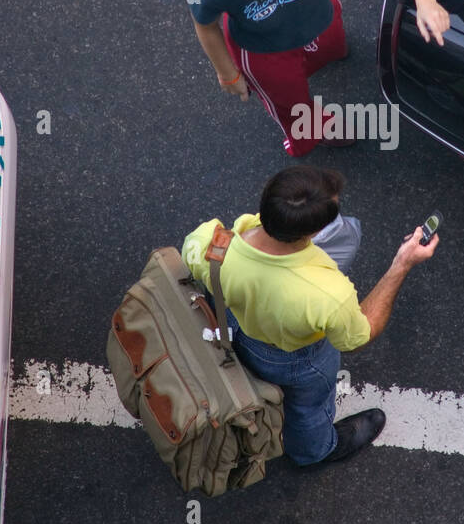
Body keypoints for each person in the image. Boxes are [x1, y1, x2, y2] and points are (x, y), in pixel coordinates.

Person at [180, 165, 438, 465]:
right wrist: (401, 264)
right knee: (307, 410)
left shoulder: (214, 243)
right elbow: (359, 336)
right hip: (293, 360)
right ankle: (313, 452)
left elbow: (191, 252)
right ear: (314, 233)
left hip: (232, 327)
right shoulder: (328, 294)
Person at [190, 0, 451, 156]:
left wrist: (427, 2)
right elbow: (205, 26)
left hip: (320, 19)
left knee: (334, 50)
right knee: (292, 104)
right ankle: (313, 131)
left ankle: (320, 65)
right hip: (266, 51)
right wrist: (228, 74)